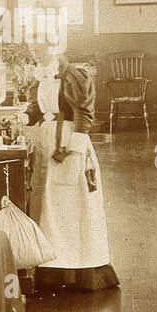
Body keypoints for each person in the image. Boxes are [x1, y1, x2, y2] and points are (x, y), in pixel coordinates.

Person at [28, 40, 118, 292]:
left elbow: (84, 114)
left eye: (40, 45)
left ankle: (79, 270)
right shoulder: (42, 73)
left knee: (71, 205)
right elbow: (37, 109)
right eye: (31, 46)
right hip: (46, 140)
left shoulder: (73, 74)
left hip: (68, 141)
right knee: (48, 206)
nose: (35, 50)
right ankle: (51, 270)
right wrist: (23, 117)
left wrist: (73, 149)